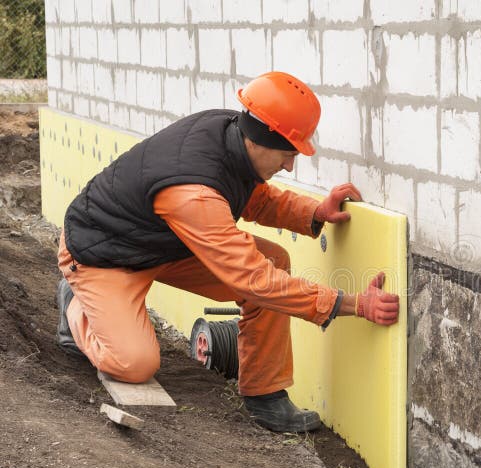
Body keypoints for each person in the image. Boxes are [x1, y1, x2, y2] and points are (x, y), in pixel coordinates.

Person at [55, 71, 400, 432]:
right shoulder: (193, 194)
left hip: (162, 242)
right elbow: (254, 281)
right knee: (133, 364)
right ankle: (76, 304)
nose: (289, 165)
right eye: (287, 154)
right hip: (103, 254)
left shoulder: (230, 133)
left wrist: (312, 212)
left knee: (273, 261)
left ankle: (266, 395)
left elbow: (249, 195)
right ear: (261, 139)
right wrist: (351, 304)